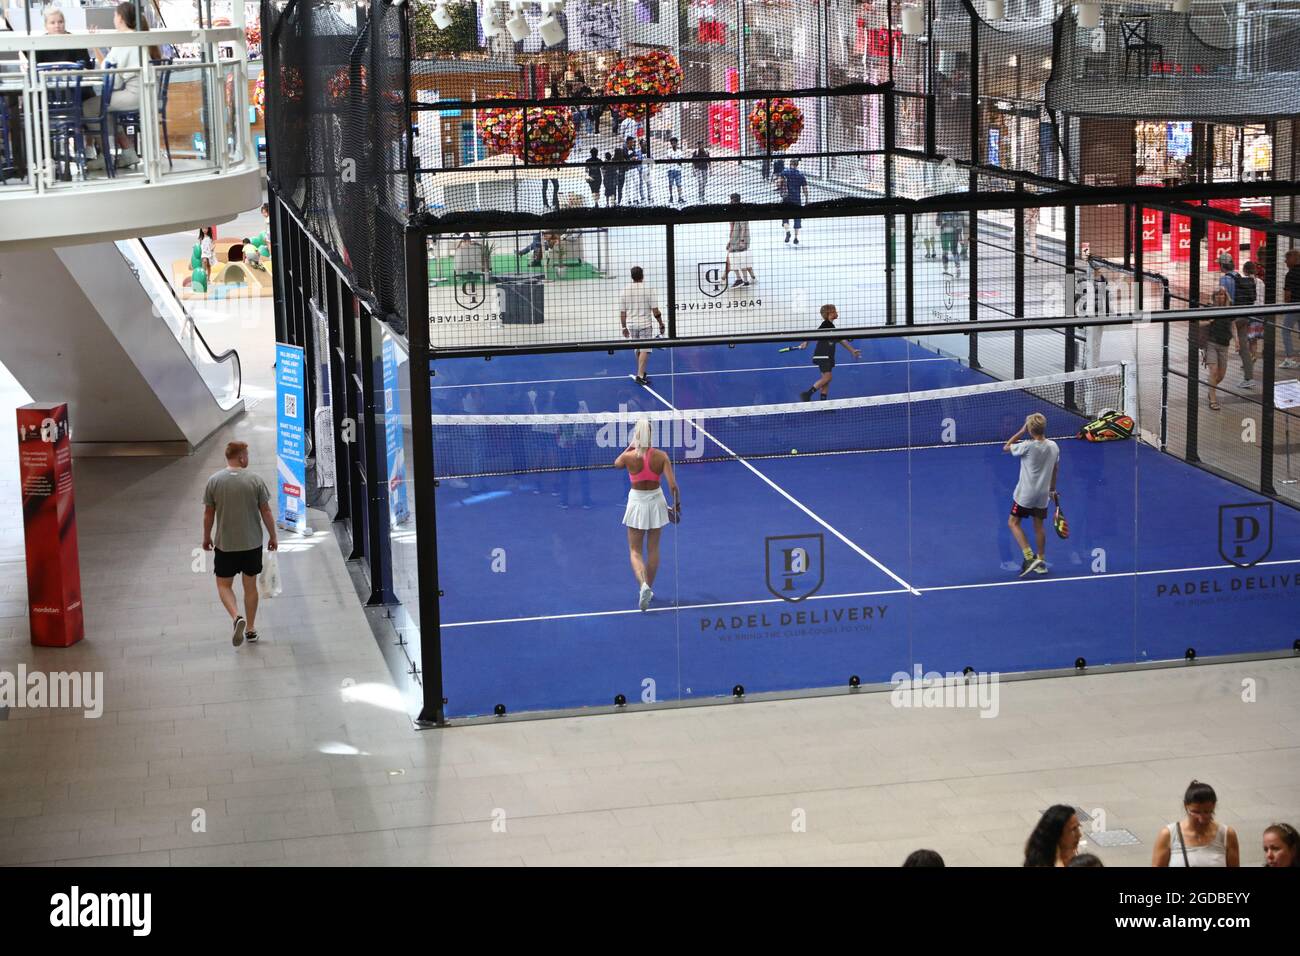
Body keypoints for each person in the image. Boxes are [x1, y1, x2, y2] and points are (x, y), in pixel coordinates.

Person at [202, 440, 277, 647]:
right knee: (249, 585)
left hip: (226, 545)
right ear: (241, 457)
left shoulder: (214, 481)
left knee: (223, 585)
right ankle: (251, 629)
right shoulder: (255, 480)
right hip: (252, 544)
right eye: (246, 455)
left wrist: (206, 537)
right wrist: (273, 536)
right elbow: (266, 511)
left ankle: (236, 617)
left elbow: (208, 514)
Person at [83, 2, 161, 170]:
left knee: (89, 107)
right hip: (147, 93)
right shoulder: (137, 37)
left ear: (120, 18)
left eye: (114, 15)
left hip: (135, 95)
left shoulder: (124, 39)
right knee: (104, 107)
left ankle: (105, 155)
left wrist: (95, 46)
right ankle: (127, 152)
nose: (114, 19)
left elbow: (111, 76)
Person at [615, 418, 679, 612]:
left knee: (635, 550)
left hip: (637, 502)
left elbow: (616, 463)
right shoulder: (661, 456)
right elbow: (673, 486)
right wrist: (676, 506)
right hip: (657, 502)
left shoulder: (629, 457)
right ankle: (648, 588)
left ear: (636, 435)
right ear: (651, 435)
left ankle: (643, 586)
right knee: (653, 549)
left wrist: (630, 446)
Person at [1003, 412, 1060, 577]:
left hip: (1025, 495)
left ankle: (1029, 557)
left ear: (1029, 429)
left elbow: (1006, 447)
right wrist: (1052, 490)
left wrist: (1020, 432)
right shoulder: (1054, 446)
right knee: (1039, 527)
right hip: (1043, 495)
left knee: (1013, 523)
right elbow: (1055, 469)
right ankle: (1041, 561)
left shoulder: (1026, 445)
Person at [1152, 779, 1240, 867]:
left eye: (1207, 812)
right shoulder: (1168, 834)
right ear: (1185, 806)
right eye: (1196, 812)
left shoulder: (1226, 835)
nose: (1201, 819)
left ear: (1214, 806)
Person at [797, 303, 860, 401]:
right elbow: (815, 333)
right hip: (823, 355)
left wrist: (852, 350)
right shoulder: (826, 324)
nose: (836, 312)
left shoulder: (831, 327)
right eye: (834, 311)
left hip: (828, 356)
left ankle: (823, 403)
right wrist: (806, 342)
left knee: (826, 380)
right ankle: (807, 394)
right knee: (828, 377)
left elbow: (841, 340)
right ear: (830, 313)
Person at [620, 266, 665, 386]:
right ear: (642, 276)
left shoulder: (625, 290)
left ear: (631, 276)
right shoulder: (649, 289)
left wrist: (624, 327)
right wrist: (661, 323)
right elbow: (656, 311)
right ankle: (640, 375)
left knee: (638, 348)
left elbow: (622, 312)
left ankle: (642, 372)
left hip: (631, 324)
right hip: (645, 324)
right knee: (645, 349)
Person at [1202, 288, 1233, 412]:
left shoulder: (1230, 309)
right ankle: (1213, 399)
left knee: (1221, 376)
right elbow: (1198, 322)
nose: (1220, 297)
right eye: (1218, 295)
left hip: (1224, 345)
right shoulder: (1209, 308)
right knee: (1213, 372)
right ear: (1214, 297)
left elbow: (1233, 325)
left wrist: (1236, 341)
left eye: (1222, 295)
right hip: (1211, 343)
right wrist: (1209, 320)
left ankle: (1211, 390)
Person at [724, 194, 757, 288]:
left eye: (731, 200)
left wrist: (742, 241)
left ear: (733, 201)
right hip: (736, 240)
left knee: (734, 259)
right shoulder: (740, 210)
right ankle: (746, 280)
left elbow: (743, 228)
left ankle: (739, 279)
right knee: (741, 259)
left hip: (739, 241)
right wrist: (730, 241)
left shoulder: (740, 212)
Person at [778, 158, 809, 245]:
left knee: (785, 217)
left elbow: (779, 183)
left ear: (790, 163)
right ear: (797, 165)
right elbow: (805, 189)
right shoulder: (801, 175)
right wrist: (807, 199)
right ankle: (796, 238)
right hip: (797, 200)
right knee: (797, 218)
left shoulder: (785, 172)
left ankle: (788, 231)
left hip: (786, 199)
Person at [1281, 248, 1299, 369]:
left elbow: (1287, 295)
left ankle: (1289, 358)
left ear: (1293, 259)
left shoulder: (1290, 274)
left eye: (1287, 259)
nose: (1285, 261)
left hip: (1293, 307)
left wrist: (1286, 306)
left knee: (1285, 331)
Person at [664, 137, 684, 204]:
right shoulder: (669, 151)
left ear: (676, 143)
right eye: (672, 143)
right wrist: (675, 160)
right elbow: (669, 159)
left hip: (678, 170)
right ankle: (671, 197)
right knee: (670, 184)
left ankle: (680, 197)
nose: (673, 144)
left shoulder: (679, 151)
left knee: (679, 184)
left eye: (674, 142)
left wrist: (674, 160)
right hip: (670, 170)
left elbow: (680, 161)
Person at [612, 139, 630, 205]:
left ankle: (614, 201)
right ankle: (619, 202)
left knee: (614, 190)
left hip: (614, 177)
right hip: (622, 177)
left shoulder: (613, 160)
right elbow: (627, 169)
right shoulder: (623, 160)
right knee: (620, 190)